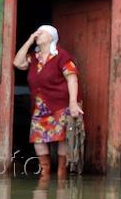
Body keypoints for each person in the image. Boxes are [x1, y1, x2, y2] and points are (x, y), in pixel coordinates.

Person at [13, 24, 82, 179]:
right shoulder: (34, 57)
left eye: (42, 33)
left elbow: (72, 79)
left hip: (61, 104)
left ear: (51, 37)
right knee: (38, 138)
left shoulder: (61, 56)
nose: (38, 35)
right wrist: (29, 40)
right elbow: (17, 63)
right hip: (40, 106)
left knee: (62, 137)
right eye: (37, 32)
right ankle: (44, 172)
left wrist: (73, 103)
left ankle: (61, 172)